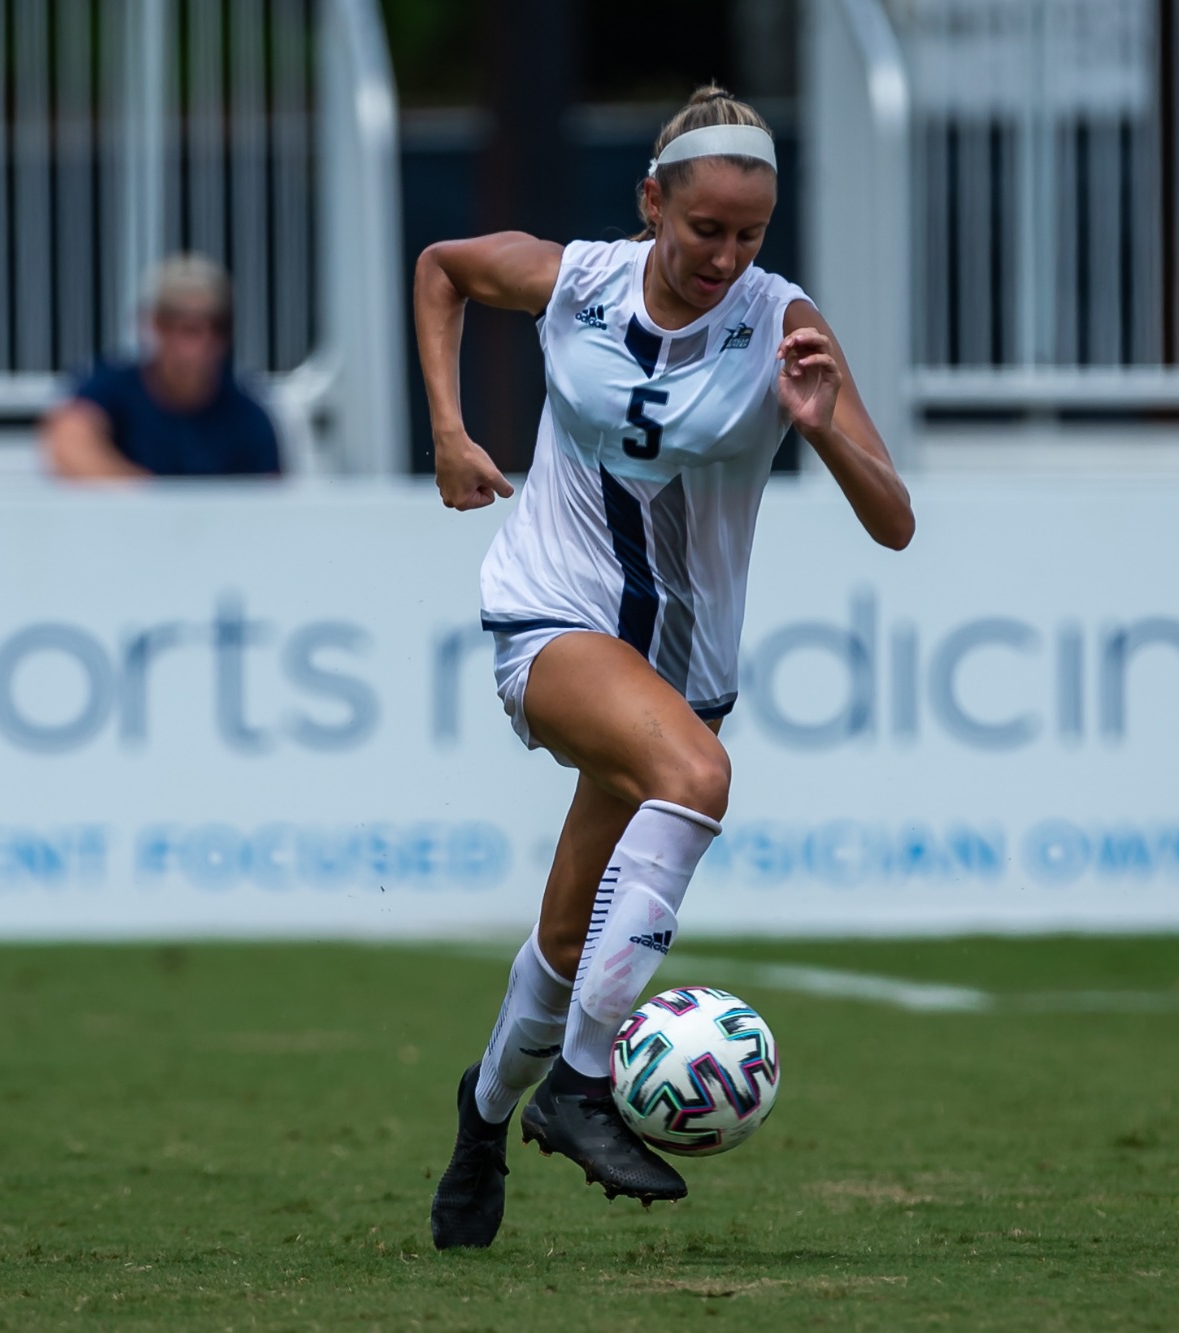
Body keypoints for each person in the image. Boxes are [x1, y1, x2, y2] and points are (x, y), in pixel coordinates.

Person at [412, 86, 914, 1250]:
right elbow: (442, 268)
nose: (726, 257)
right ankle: (583, 1085)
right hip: (552, 617)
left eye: (749, 234)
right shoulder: (579, 280)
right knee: (695, 776)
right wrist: (447, 429)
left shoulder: (782, 323)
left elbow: (893, 522)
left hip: (680, 670)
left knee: (562, 944)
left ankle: (483, 1119)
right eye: (704, 230)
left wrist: (820, 424)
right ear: (652, 202)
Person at [40, 254, 282, 479]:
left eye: (217, 326)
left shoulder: (247, 414)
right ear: (155, 325)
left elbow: (269, 497)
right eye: (186, 327)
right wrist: (146, 497)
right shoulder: (113, 387)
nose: (202, 342)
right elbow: (69, 442)